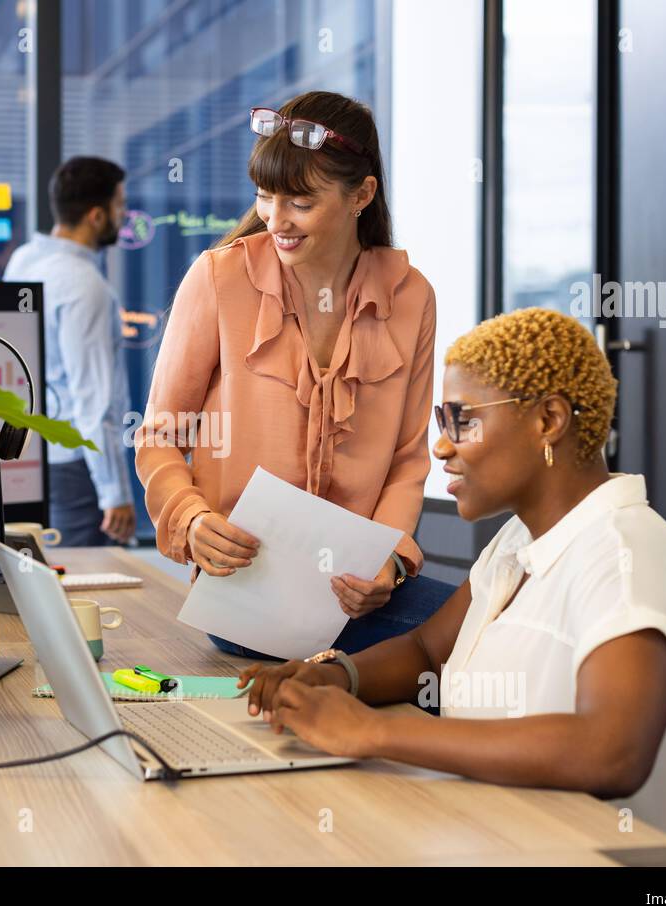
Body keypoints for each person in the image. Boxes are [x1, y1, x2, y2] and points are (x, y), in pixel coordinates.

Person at [239, 307, 666, 866]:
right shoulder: (517, 540)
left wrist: (371, 733)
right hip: (518, 837)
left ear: (549, 421)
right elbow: (428, 652)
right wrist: (336, 678)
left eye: (462, 421)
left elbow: (612, 752)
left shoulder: (625, 552)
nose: (440, 447)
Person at [135, 91, 454, 657]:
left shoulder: (412, 298)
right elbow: (161, 437)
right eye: (264, 196)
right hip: (245, 590)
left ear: (362, 194)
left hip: (355, 593)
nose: (275, 220)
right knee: (464, 649)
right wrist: (192, 519)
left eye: (300, 204)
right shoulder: (219, 279)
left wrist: (389, 559)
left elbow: (408, 461)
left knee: (486, 634)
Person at [4, 156, 136, 546]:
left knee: (47, 573)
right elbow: (92, 399)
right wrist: (115, 493)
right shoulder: (84, 285)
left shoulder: (24, 261)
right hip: (77, 468)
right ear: (97, 215)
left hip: (28, 455)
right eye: (119, 205)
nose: (123, 215)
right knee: (90, 587)